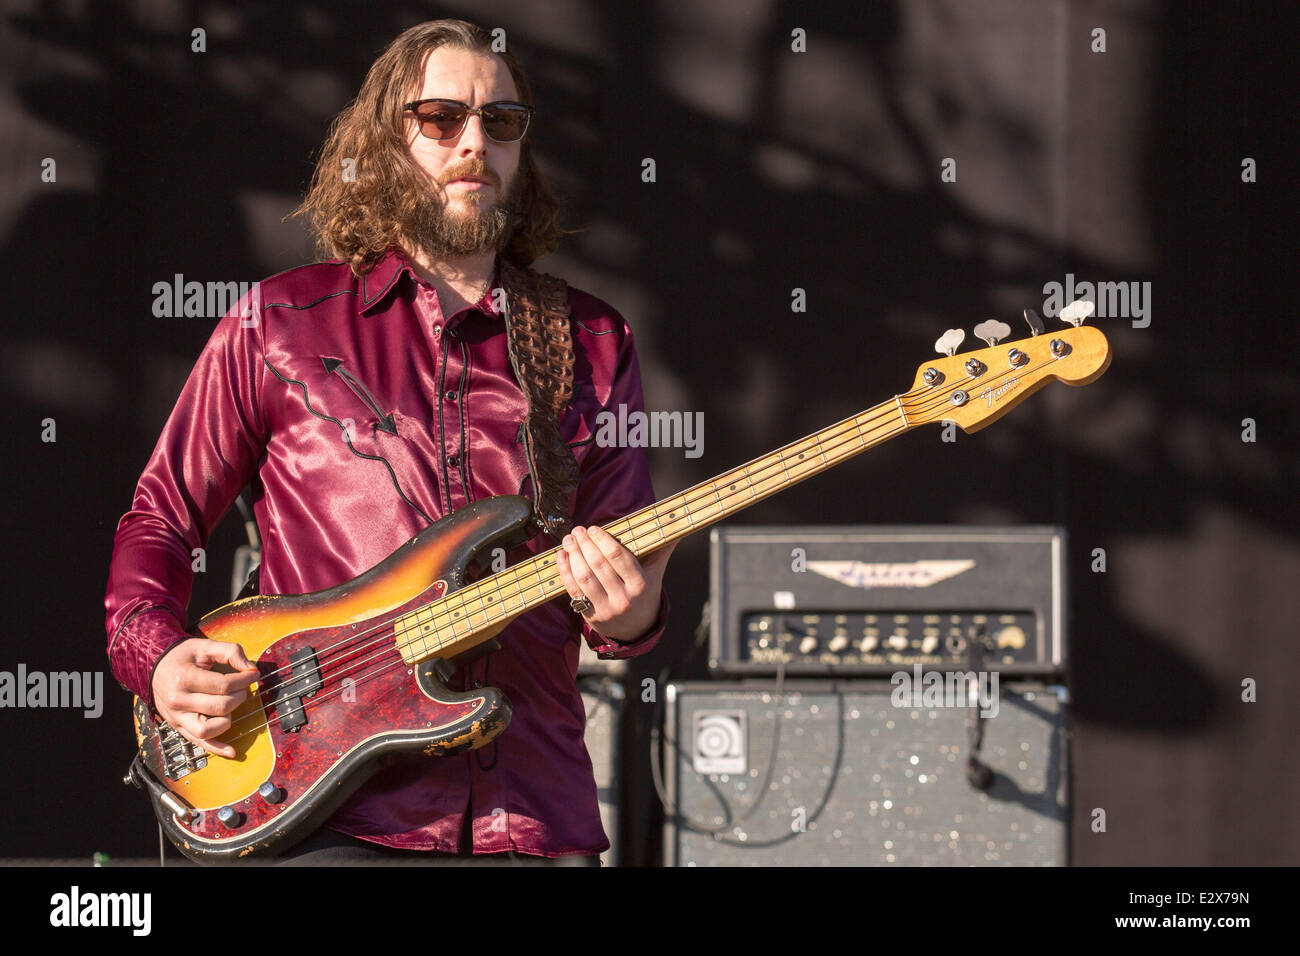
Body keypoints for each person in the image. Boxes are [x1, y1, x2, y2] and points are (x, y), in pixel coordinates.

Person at [103, 18, 674, 865]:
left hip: (528, 808)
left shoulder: (591, 339)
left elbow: (624, 588)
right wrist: (158, 656)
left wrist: (631, 611)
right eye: (441, 118)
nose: (475, 142)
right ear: (384, 140)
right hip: (324, 804)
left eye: (502, 122)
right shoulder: (279, 324)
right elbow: (160, 517)